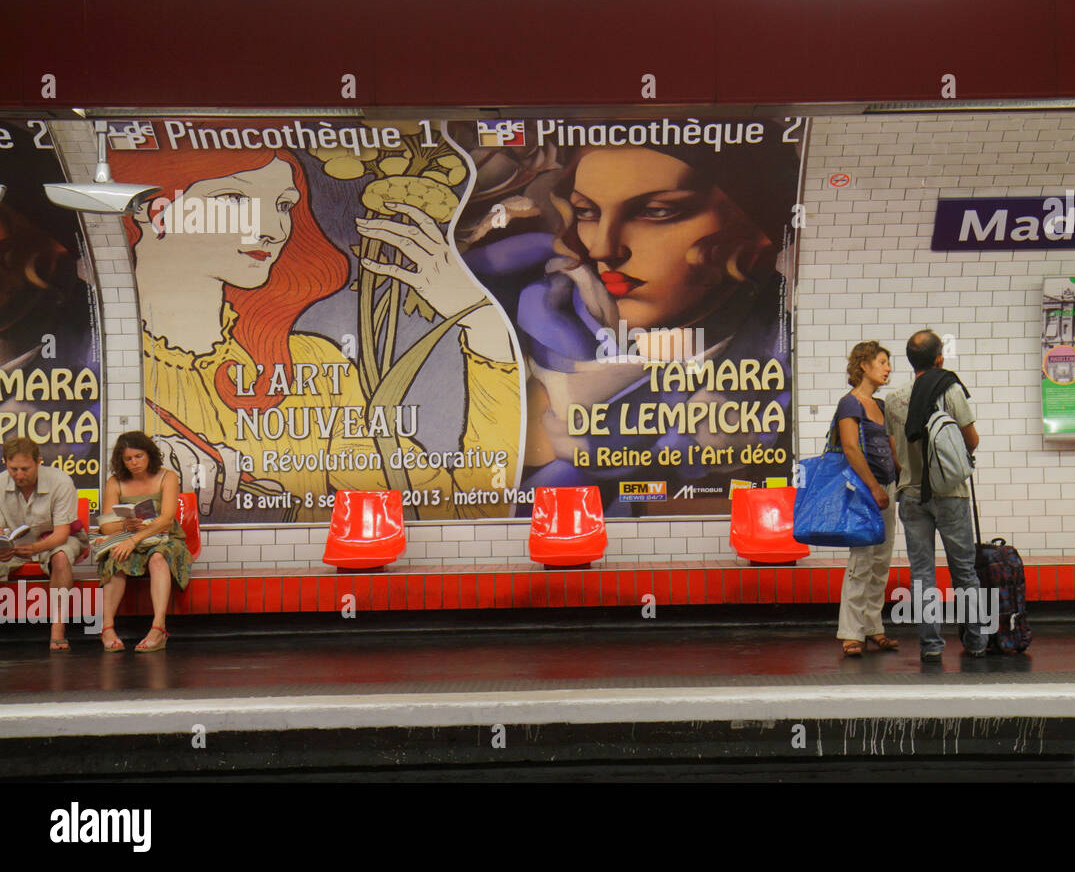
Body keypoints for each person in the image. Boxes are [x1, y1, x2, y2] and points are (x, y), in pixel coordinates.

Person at [109, 145, 519, 521]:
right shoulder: (110, 368)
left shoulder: (315, 368)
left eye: (284, 205)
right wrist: (142, 483)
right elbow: (108, 533)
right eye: (236, 200)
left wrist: (478, 317)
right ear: (156, 210)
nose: (273, 230)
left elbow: (472, 513)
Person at [465, 127, 798, 514]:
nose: (604, 247)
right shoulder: (539, 303)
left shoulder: (782, 358)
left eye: (656, 212)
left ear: (758, 228)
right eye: (587, 211)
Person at [883, 329, 987, 661]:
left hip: (912, 496)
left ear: (910, 361)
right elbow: (971, 440)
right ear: (939, 359)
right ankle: (976, 642)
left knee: (922, 573)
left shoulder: (893, 399)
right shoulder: (950, 390)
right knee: (964, 571)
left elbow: (895, 454)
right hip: (951, 494)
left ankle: (930, 646)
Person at [833, 342, 899, 655]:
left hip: (888, 488)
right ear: (864, 365)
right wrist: (874, 487)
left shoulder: (881, 406)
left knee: (881, 560)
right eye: (882, 362)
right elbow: (850, 448)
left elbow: (890, 448)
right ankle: (851, 631)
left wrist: (900, 479)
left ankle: (873, 626)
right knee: (861, 560)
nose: (888, 368)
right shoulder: (850, 404)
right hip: (863, 491)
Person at [96, 431, 189, 652]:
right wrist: (127, 527)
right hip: (130, 536)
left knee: (158, 558)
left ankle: (158, 629)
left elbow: (166, 519)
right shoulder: (115, 482)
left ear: (149, 455)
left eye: (138, 456)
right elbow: (107, 526)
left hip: (164, 538)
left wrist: (135, 537)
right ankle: (107, 628)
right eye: (128, 459)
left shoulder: (167, 477)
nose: (134, 463)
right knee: (116, 555)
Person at [0, 437, 86, 651]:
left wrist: (36, 548)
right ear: (5, 463)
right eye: (14, 469)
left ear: (38, 462)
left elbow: (62, 533)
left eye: (25, 469)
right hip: (16, 546)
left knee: (61, 557)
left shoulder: (61, 481)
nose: (19, 475)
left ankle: (58, 629)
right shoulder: (0, 483)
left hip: (55, 540)